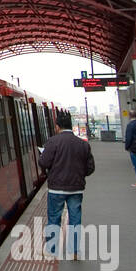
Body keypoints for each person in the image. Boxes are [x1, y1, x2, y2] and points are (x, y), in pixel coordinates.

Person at [39, 109, 95, 259]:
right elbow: (90, 168)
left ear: (57, 127)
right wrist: (78, 175)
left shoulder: (53, 142)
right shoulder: (82, 144)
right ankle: (75, 251)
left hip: (56, 189)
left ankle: (52, 250)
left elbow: (43, 162)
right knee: (75, 219)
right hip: (76, 189)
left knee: (54, 218)